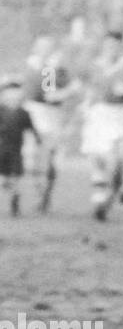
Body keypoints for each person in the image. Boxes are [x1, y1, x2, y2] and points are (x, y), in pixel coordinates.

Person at [79, 30, 123, 220]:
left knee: (115, 160)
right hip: (99, 112)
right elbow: (85, 86)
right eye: (108, 45)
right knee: (96, 155)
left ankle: (111, 190)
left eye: (115, 45)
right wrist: (85, 102)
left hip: (122, 114)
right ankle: (101, 198)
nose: (111, 49)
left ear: (121, 46)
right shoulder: (93, 64)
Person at [21, 37, 74, 214]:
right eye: (42, 47)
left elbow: (51, 96)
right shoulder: (29, 66)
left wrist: (70, 91)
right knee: (33, 155)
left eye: (49, 47)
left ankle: (45, 194)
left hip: (49, 115)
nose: (45, 50)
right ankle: (40, 192)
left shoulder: (52, 69)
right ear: (35, 48)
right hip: (31, 112)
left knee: (47, 156)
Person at [0, 79, 41, 217]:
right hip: (2, 149)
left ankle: (15, 200)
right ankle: (10, 189)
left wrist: (37, 139)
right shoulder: (1, 111)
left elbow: (32, 129)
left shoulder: (24, 113)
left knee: (16, 176)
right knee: (4, 179)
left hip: (16, 150)